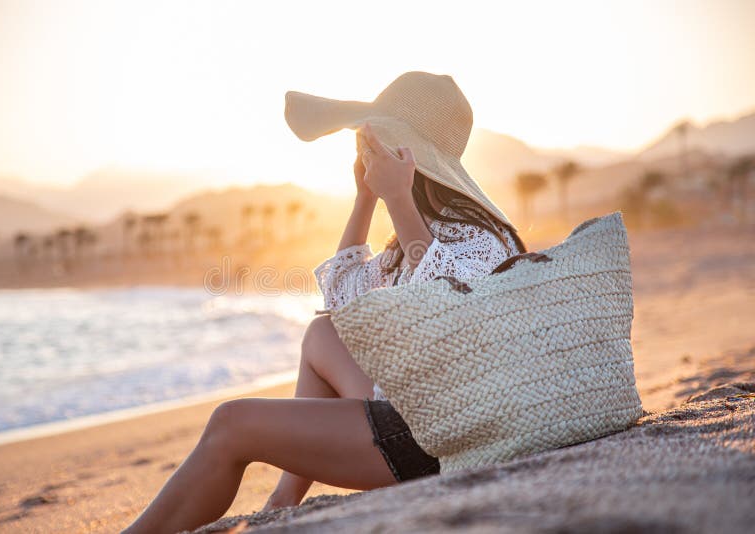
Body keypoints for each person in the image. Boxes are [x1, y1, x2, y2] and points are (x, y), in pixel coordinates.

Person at [122, 72, 526, 534]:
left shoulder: (478, 236)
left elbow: (443, 301)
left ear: (408, 155)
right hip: (418, 412)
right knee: (322, 332)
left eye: (378, 144)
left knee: (231, 422)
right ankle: (283, 498)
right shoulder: (419, 230)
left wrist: (398, 197)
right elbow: (342, 301)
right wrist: (366, 200)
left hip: (436, 437)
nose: (367, 154)